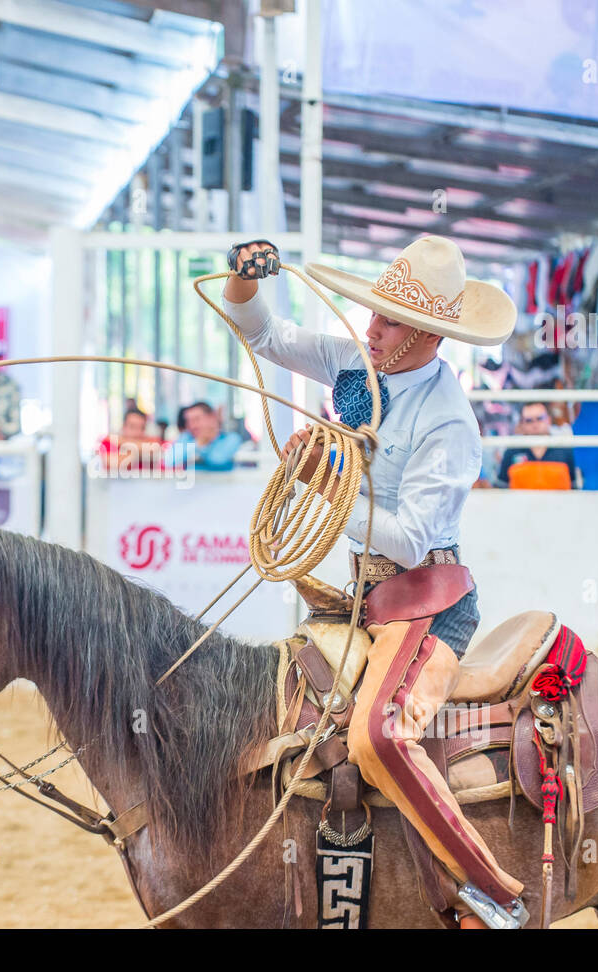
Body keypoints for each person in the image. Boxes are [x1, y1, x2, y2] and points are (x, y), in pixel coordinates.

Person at [222, 234, 525, 928]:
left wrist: (323, 482)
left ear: (424, 335)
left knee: (378, 738)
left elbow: (412, 538)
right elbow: (265, 335)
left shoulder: (448, 420)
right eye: (372, 314)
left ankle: (496, 893)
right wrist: (243, 281)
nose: (370, 327)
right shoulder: (359, 366)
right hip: (369, 599)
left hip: (428, 605)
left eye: (386, 320)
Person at [495, 402, 579, 489]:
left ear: (549, 420)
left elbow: (574, 488)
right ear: (522, 424)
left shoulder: (564, 450)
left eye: (539, 418)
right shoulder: (512, 452)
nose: (535, 424)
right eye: (529, 421)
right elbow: (501, 488)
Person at [167, 400, 242, 471]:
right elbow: (169, 461)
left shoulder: (231, 438)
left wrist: (203, 445)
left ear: (212, 418)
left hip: (223, 483)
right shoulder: (186, 437)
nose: (192, 426)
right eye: (188, 421)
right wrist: (198, 443)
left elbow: (217, 460)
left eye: (196, 419)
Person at [98, 407, 164, 474]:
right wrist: (137, 450)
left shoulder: (151, 441)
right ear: (124, 427)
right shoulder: (108, 443)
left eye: (141, 428)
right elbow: (116, 464)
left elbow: (156, 447)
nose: (137, 432)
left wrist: (121, 442)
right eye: (132, 427)